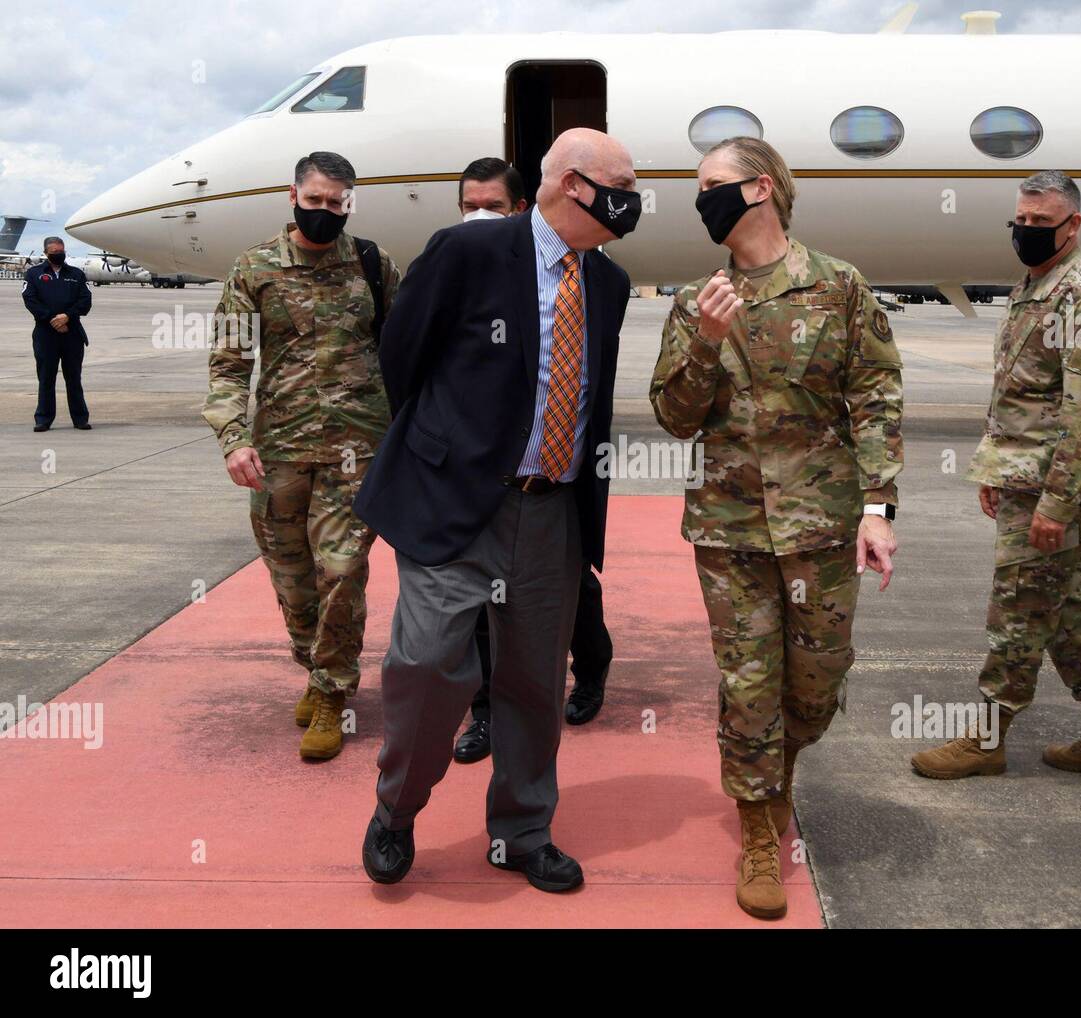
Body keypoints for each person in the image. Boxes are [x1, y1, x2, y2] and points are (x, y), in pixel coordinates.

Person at [356, 128, 638, 894]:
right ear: (573, 185)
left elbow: (589, 401)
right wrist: (449, 446)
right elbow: (402, 359)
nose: (633, 199)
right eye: (624, 184)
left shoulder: (607, 285)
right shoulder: (468, 252)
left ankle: (521, 831)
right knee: (427, 664)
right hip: (456, 503)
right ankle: (396, 808)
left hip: (551, 512)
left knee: (534, 682)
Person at [649, 137, 903, 920]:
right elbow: (673, 419)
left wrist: (877, 507)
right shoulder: (698, 302)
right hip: (729, 533)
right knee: (749, 684)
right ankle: (761, 825)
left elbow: (876, 397)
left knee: (815, 685)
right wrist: (706, 343)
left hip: (821, 526)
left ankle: (779, 774)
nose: (702, 202)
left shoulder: (840, 287)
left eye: (713, 187)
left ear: (762, 189)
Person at [910, 171, 1081, 783]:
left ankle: (988, 739)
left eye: (1042, 223)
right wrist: (993, 466)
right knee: (1066, 609)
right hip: (1021, 478)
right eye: (1023, 221)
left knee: (1017, 607)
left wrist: (1055, 505)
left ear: (1075, 225)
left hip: (1051, 488)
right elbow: (1016, 393)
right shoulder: (1033, 288)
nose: (1027, 232)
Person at [203, 151, 400, 761]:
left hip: (356, 449)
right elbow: (229, 362)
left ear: (350, 201)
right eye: (314, 201)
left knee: (340, 571)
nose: (325, 212)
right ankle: (313, 665)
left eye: (337, 203)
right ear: (293, 196)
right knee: (291, 577)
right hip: (279, 451)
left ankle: (333, 691)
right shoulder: (254, 267)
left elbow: (404, 346)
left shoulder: (371, 263)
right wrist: (233, 439)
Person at [449, 158, 616, 766]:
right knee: (480, 612)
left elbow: (595, 385)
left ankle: (592, 668)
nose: (479, 218)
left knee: (572, 597)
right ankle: (486, 712)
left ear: (522, 209)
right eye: (469, 206)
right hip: (484, 481)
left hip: (558, 482)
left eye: (492, 206)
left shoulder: (604, 280)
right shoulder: (460, 270)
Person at [22, 237, 92, 432]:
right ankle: (43, 418)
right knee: (46, 377)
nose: (58, 254)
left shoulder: (76, 274)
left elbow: (85, 301)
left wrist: (67, 317)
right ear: (46, 253)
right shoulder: (34, 274)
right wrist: (52, 319)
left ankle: (80, 418)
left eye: (61, 251)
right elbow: (30, 300)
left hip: (72, 333)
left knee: (74, 377)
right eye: (54, 251)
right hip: (46, 333)